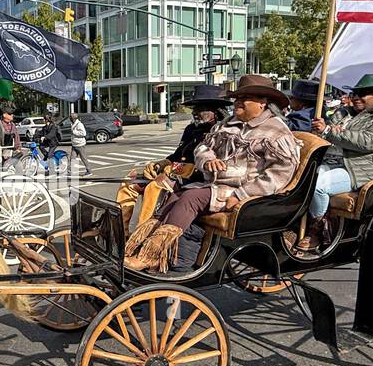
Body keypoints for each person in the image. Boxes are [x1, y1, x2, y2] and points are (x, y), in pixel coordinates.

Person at [124, 76, 301, 273]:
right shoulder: (227, 124)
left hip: (244, 193)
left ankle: (152, 255)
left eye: (245, 98)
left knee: (190, 197)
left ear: (262, 103)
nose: (238, 103)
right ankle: (143, 247)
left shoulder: (276, 132)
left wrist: (240, 195)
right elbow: (203, 148)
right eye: (237, 98)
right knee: (174, 196)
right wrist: (208, 160)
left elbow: (279, 175)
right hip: (214, 185)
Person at [302, 74, 373, 252]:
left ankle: (318, 230)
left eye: (362, 93)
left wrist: (330, 131)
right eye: (354, 93)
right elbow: (328, 135)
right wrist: (321, 129)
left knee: (318, 185)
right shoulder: (344, 113)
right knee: (301, 178)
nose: (356, 97)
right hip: (331, 162)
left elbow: (370, 141)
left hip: (362, 170)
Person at [117, 84, 230, 227]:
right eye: (194, 108)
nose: (195, 112)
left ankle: (142, 236)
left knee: (155, 187)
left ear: (215, 111)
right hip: (176, 175)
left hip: (196, 180)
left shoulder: (220, 133)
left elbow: (205, 167)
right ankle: (121, 233)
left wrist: (173, 169)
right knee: (129, 183)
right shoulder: (191, 129)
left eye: (200, 108)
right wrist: (161, 164)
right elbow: (178, 154)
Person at [38, 107, 65, 174]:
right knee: (41, 146)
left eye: (44, 119)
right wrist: (35, 137)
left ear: (47, 119)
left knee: (50, 155)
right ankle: (47, 156)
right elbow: (40, 133)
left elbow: (51, 134)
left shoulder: (53, 126)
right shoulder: (45, 127)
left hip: (53, 142)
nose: (43, 120)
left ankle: (50, 169)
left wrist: (45, 137)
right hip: (48, 142)